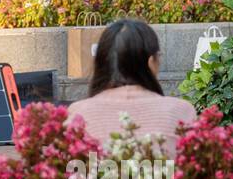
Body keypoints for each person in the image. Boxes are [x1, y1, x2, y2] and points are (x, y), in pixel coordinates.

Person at [63, 19, 195, 152]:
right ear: (151, 62)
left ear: (101, 63)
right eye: (158, 56)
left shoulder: (78, 114)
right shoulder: (182, 112)